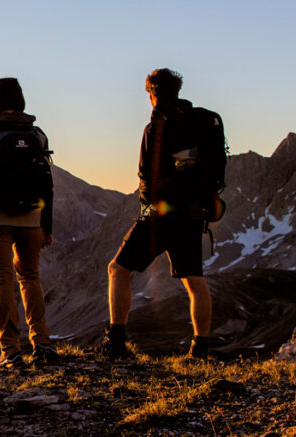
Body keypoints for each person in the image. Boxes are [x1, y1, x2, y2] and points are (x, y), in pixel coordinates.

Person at [101, 68, 217, 360]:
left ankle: (116, 343)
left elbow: (146, 176)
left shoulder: (156, 127)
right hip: (193, 213)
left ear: (151, 92)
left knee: (118, 269)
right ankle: (200, 348)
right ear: (177, 90)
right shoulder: (202, 122)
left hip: (160, 214)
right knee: (194, 281)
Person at [0, 77, 57, 368]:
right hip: (31, 217)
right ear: (21, 100)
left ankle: (11, 351)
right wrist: (46, 225)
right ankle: (42, 345)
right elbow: (47, 184)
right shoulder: (37, 135)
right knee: (30, 278)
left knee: (2, 281)